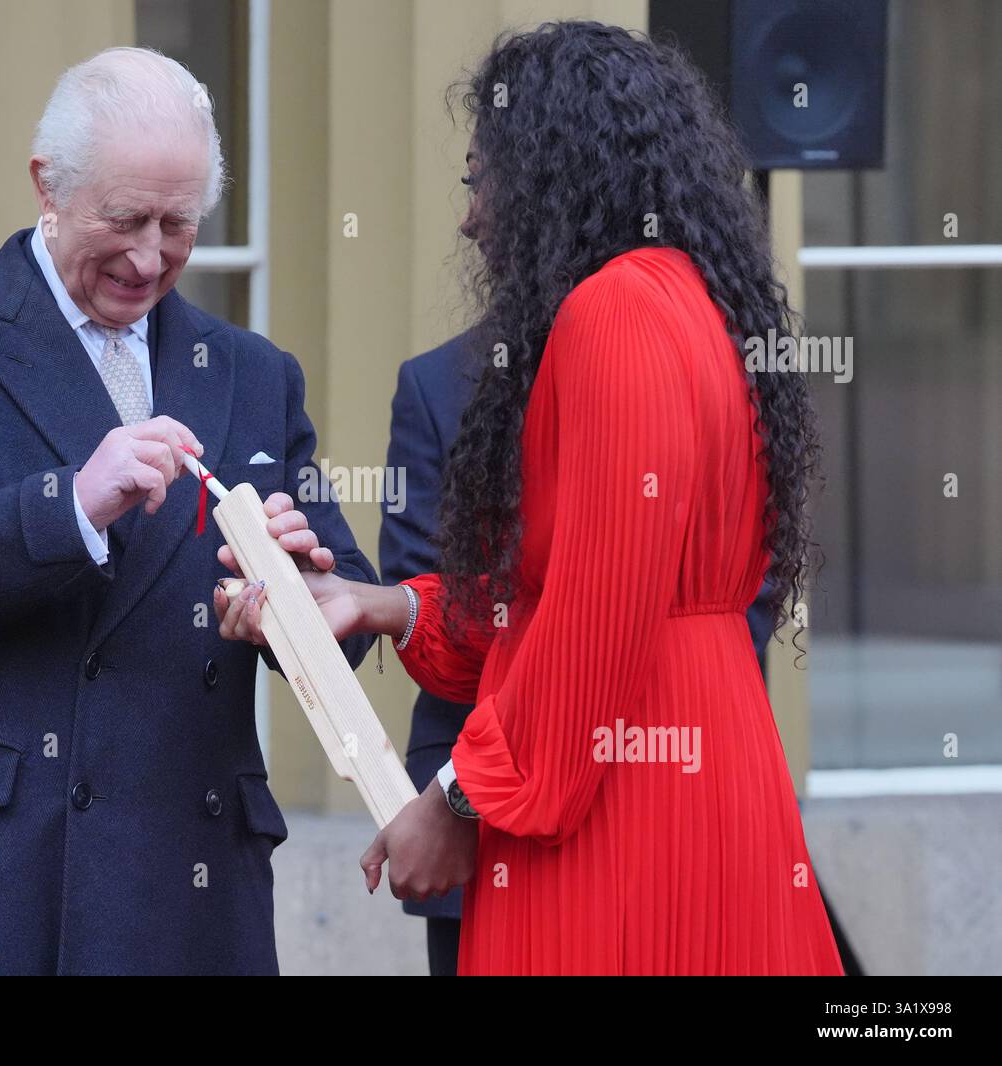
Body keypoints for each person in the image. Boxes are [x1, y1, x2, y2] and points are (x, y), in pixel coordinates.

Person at [236, 21, 843, 975]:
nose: (471, 218)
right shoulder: (698, 302)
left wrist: (457, 801)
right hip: (699, 764)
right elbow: (563, 598)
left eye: (480, 178)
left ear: (551, 169)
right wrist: (381, 605)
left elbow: (594, 624)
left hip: (620, 805)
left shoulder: (615, 315)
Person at [0, 47, 375, 975]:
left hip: (189, 881)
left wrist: (305, 593)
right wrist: (66, 507)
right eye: (125, 218)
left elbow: (342, 618)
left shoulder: (252, 372)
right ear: (49, 186)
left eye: (179, 223)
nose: (151, 256)